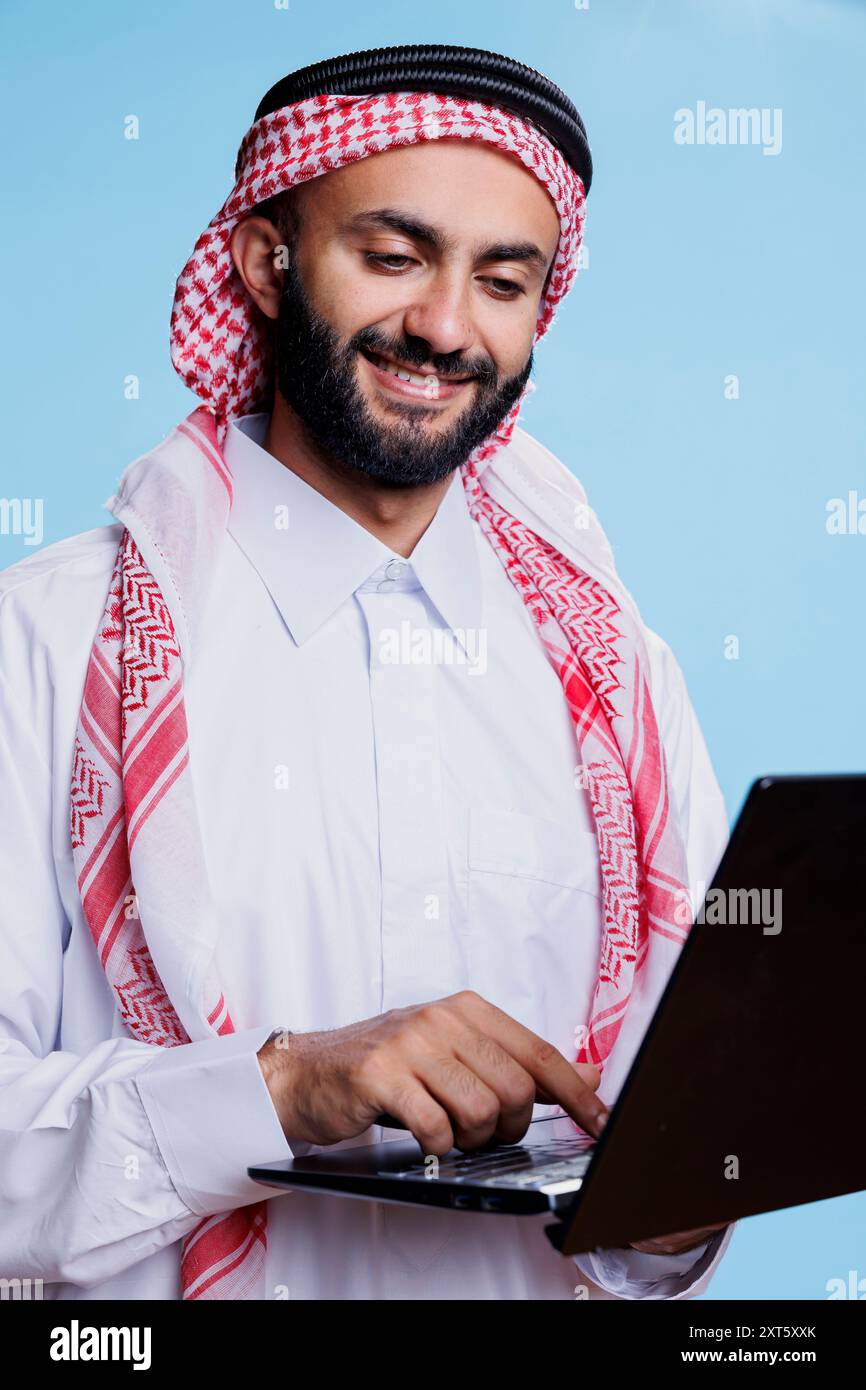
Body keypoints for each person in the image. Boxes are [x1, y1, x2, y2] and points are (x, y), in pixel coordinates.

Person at [0, 45, 734, 1300]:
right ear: (264, 264)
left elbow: (667, 1179)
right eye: (392, 257)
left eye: (500, 281)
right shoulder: (54, 642)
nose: (444, 327)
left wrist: (682, 1200)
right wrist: (275, 1092)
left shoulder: (617, 681)